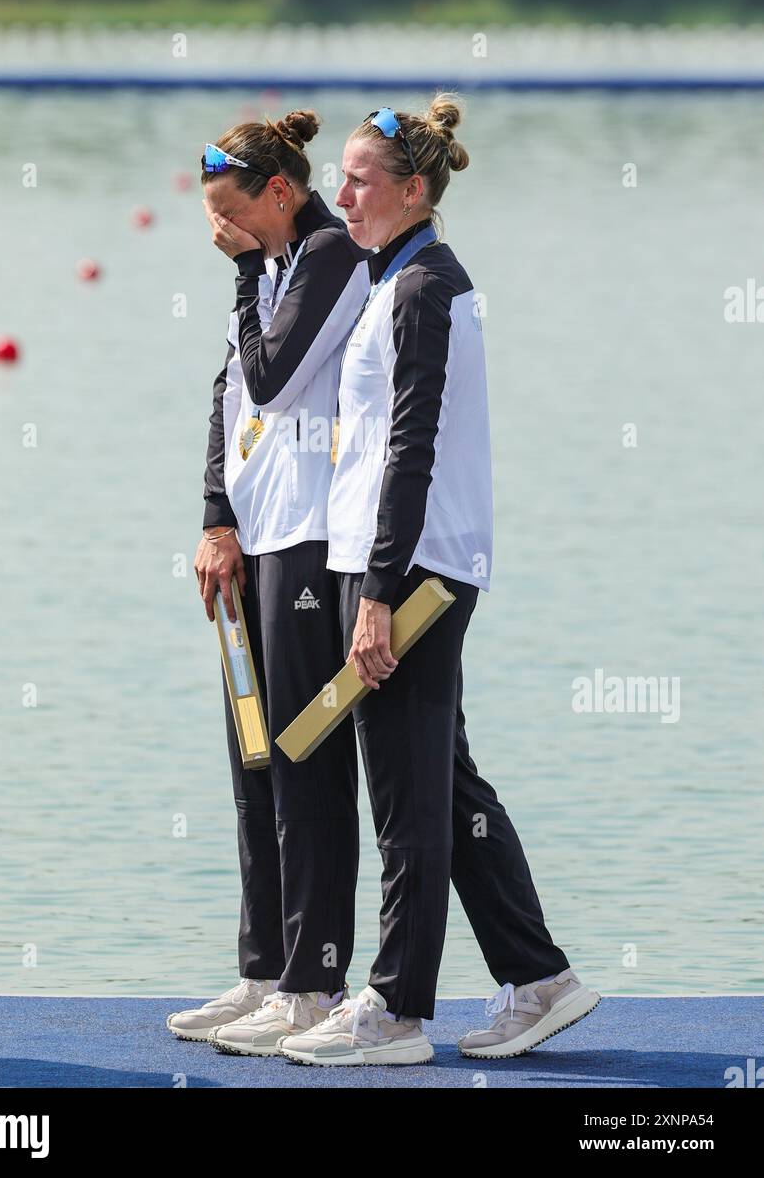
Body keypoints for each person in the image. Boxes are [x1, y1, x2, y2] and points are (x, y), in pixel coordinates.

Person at [277, 96, 600, 1066]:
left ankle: (394, 1009)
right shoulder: (396, 278)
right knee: (444, 782)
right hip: (387, 562)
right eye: (337, 177)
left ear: (413, 191)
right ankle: (538, 977)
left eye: (359, 180)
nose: (340, 194)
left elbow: (411, 449)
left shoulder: (422, 290)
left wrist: (377, 593)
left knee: (407, 795)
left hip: (410, 570)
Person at [166, 109, 371, 1056]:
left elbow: (277, 377)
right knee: (254, 767)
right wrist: (217, 518)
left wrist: (247, 274)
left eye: (232, 221)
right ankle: (264, 971)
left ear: (279, 194)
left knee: (303, 766)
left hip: (310, 541)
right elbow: (228, 391)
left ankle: (316, 982)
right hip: (252, 542)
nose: (223, 238)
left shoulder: (325, 254)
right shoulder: (276, 264)